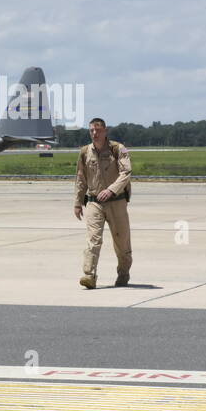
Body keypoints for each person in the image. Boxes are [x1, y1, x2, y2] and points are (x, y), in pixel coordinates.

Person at [74, 117, 132, 289]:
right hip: (94, 202)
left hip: (116, 201)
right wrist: (78, 202)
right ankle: (89, 275)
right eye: (91, 130)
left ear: (105, 131)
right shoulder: (85, 152)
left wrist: (112, 190)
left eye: (98, 130)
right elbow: (80, 178)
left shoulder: (117, 149)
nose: (94, 133)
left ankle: (123, 274)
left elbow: (126, 172)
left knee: (121, 242)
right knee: (93, 240)